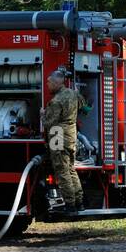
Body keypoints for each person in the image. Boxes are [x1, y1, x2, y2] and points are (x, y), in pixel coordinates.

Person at [41, 68, 84, 215]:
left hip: (57, 135)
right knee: (71, 168)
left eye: (49, 82)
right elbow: (83, 104)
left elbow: (48, 123)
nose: (47, 85)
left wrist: (42, 114)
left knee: (61, 170)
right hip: (71, 135)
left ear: (56, 82)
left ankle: (70, 204)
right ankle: (79, 202)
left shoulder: (56, 101)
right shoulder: (73, 94)